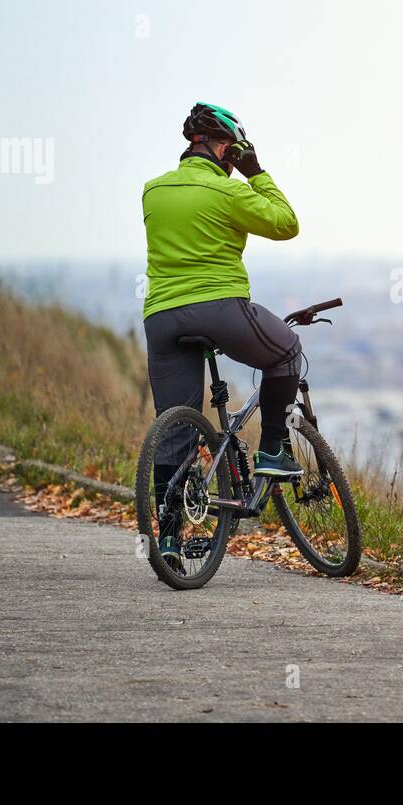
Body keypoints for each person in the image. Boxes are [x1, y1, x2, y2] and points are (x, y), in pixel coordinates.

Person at [142, 102, 303, 562]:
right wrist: (256, 172)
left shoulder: (152, 191)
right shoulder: (228, 193)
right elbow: (286, 223)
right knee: (286, 351)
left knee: (175, 428)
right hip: (218, 309)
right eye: (234, 155)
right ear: (228, 150)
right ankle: (272, 450)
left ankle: (170, 542)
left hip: (162, 318)